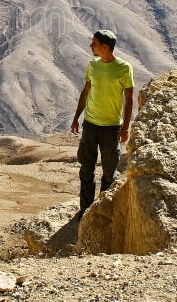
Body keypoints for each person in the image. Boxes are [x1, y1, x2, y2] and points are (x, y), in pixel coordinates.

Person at [70, 29, 135, 215]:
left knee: (109, 172)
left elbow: (129, 99)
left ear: (105, 47)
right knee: (86, 169)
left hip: (111, 128)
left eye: (94, 44)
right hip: (90, 124)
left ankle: (103, 212)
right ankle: (85, 211)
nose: (91, 46)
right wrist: (76, 118)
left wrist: (125, 127)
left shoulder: (124, 68)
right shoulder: (93, 65)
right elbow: (85, 91)